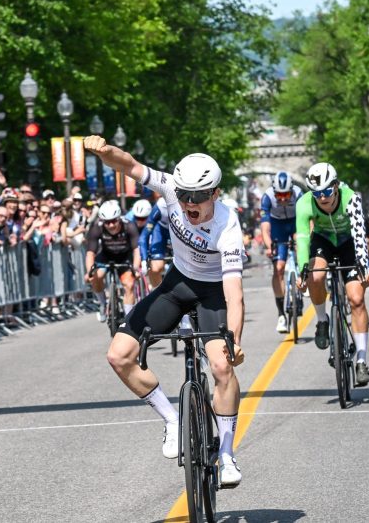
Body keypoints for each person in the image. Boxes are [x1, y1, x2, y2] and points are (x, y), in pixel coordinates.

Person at [84, 135, 246, 488]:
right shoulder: (171, 189)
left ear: (215, 193)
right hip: (177, 284)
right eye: (184, 195)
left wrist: (234, 340)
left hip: (213, 294)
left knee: (221, 366)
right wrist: (105, 151)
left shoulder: (228, 226)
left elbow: (235, 296)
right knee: (119, 355)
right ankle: (173, 420)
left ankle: (227, 454)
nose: (189, 203)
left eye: (198, 197)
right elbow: (129, 164)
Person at [295, 163, 369, 384]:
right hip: (324, 241)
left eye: (327, 191)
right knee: (315, 276)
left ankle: (361, 360)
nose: (322, 197)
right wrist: (302, 270)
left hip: (349, 243)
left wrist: (364, 266)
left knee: (356, 299)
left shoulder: (351, 198)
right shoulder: (304, 203)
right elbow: (303, 239)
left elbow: (359, 235)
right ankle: (322, 319)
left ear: (336, 186)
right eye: (316, 193)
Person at [259, 172, 302, 330]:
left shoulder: (298, 194)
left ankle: (302, 277)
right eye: (279, 195)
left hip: (296, 223)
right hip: (277, 227)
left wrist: (305, 241)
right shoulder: (267, 197)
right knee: (279, 268)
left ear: (291, 191)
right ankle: (281, 314)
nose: (283, 199)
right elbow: (265, 228)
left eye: (286, 195)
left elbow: (307, 220)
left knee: (301, 247)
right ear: (274, 192)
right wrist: (270, 246)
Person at [85, 200, 142, 320]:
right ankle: (102, 303)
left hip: (125, 257)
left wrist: (136, 268)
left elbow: (136, 250)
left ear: (119, 218)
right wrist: (89, 271)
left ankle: (128, 318)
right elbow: (90, 253)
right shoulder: (97, 228)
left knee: (129, 284)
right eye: (107, 222)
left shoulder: (129, 226)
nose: (111, 225)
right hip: (105, 257)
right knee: (95, 277)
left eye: (113, 221)